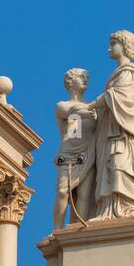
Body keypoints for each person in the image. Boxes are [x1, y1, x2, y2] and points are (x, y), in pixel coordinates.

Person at [87, 31, 134, 221]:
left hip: (123, 133)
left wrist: (92, 105)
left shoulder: (128, 72)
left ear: (124, 46)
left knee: (121, 165)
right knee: (109, 166)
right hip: (111, 131)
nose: (109, 48)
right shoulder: (118, 74)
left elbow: (119, 96)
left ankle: (130, 206)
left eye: (113, 43)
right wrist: (98, 113)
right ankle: (108, 209)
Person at [53, 68, 96, 228]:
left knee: (85, 194)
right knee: (63, 192)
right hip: (69, 154)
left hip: (88, 154)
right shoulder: (62, 105)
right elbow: (71, 113)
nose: (85, 79)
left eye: (87, 77)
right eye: (81, 77)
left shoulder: (94, 108)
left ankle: (79, 226)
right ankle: (57, 228)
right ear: (70, 82)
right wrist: (89, 112)